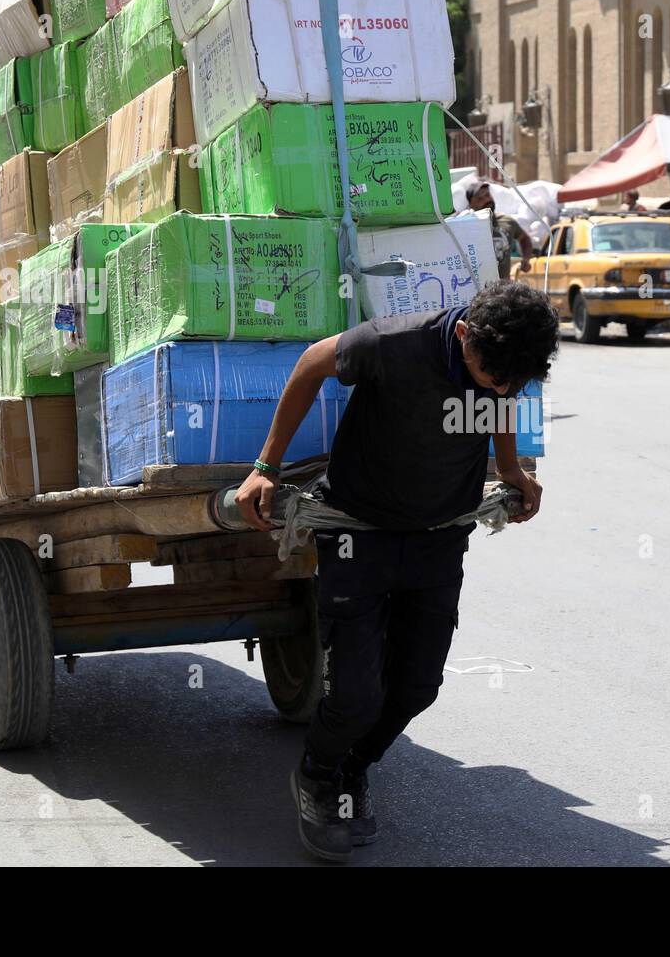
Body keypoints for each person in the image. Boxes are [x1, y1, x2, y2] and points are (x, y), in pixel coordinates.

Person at [233, 281, 560, 862]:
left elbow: (501, 400)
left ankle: (353, 771)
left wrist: (509, 468)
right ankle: (317, 776)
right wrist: (266, 466)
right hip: (360, 533)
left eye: (516, 380)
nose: (502, 387)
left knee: (417, 686)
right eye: (493, 374)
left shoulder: (499, 365)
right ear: (463, 336)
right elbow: (311, 365)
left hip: (439, 539)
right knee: (356, 694)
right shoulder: (392, 343)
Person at [465, 181, 533, 279]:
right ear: (471, 204)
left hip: (503, 288)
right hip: (478, 288)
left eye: (487, 195)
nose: (486, 200)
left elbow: (524, 238)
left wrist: (526, 259)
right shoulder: (466, 227)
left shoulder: (507, 221)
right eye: (480, 198)